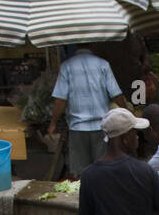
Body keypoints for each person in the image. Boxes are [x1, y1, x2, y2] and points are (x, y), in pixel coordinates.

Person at [47, 45, 125, 178]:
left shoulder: (66, 66)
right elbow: (116, 94)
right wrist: (127, 112)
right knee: (103, 172)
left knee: (81, 174)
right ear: (92, 46)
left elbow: (60, 99)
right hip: (101, 126)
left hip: (77, 128)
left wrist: (53, 123)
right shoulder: (103, 64)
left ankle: (84, 191)